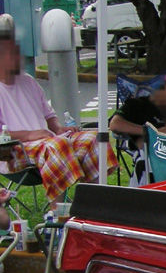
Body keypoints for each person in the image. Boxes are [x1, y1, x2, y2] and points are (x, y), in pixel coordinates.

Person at [0, 13, 113, 200]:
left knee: (91, 140)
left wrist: (60, 129)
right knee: (56, 145)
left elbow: (48, 115)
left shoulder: (28, 81)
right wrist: (30, 135)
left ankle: (93, 201)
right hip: (12, 153)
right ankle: (58, 212)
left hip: (46, 143)